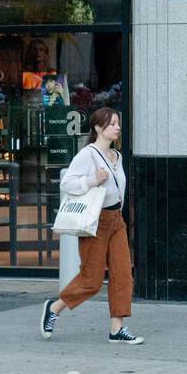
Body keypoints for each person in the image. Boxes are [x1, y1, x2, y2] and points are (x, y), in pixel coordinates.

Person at [40, 107, 143, 344]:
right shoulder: (88, 155)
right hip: (95, 221)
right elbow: (67, 184)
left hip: (116, 220)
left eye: (118, 123)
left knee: (123, 274)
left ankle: (117, 328)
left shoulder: (117, 157)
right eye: (112, 123)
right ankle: (54, 308)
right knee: (91, 279)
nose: (118, 127)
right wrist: (92, 180)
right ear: (98, 128)